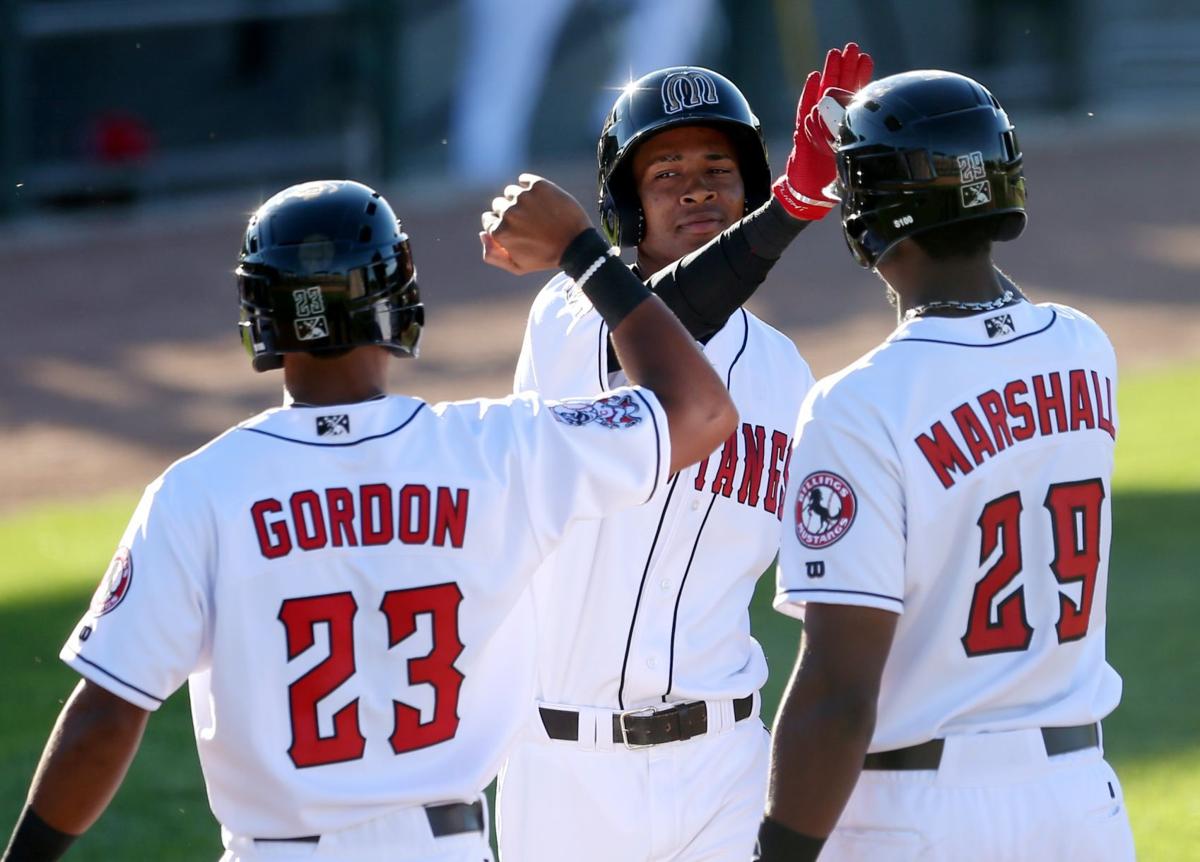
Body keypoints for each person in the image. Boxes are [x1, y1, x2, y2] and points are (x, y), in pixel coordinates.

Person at [0, 177, 738, 862]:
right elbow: (701, 409)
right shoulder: (497, 451)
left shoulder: (199, 492)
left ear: (260, 315)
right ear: (400, 299)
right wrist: (583, 252)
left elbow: (105, 717)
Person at [486, 47, 872, 862]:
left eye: (718, 169)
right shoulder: (569, 316)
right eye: (666, 173)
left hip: (726, 764)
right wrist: (795, 207)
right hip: (566, 771)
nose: (697, 188)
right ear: (627, 205)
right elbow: (668, 326)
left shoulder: (785, 374)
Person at [757, 70, 1136, 861]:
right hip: (1082, 805)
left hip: (920, 815)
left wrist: (778, 852)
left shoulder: (857, 405)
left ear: (867, 211)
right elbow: (992, 316)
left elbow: (837, 692)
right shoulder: (1083, 349)